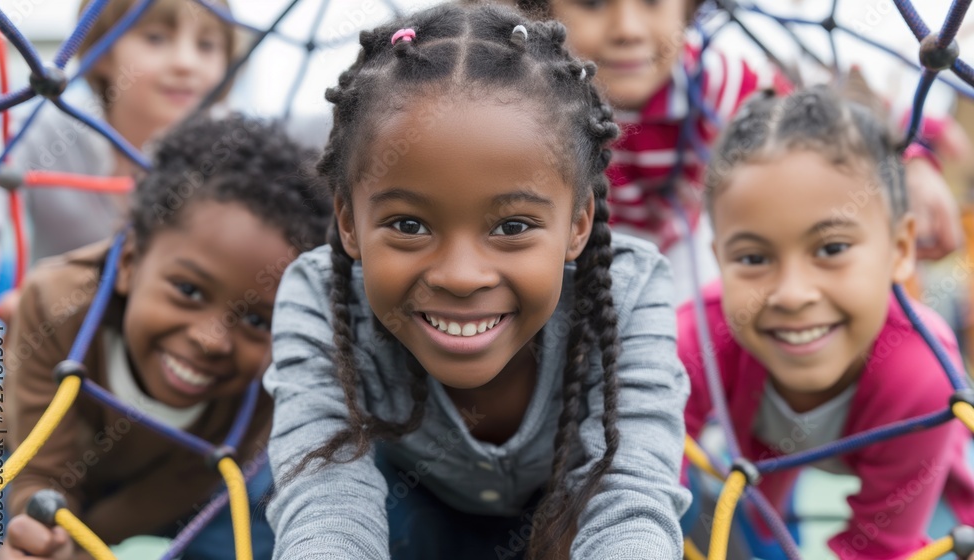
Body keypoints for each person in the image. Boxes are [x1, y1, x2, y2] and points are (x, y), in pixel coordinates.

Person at [264, 4, 691, 560]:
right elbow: (326, 496)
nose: (462, 277)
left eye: (513, 226)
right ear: (348, 222)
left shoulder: (629, 289)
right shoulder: (320, 297)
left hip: (571, 520)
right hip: (414, 520)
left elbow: (630, 490)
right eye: (409, 225)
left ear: (578, 224)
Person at [0, 113, 331, 560]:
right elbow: (40, 470)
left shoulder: (272, 378)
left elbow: (181, 485)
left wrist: (86, 545)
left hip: (176, 486)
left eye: (255, 322)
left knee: (258, 517)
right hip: (26, 450)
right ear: (130, 262)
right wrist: (47, 535)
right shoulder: (59, 302)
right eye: (188, 292)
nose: (211, 339)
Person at [677, 86, 974, 559]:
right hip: (764, 446)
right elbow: (645, 471)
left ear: (900, 251)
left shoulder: (923, 377)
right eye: (753, 257)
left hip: (912, 453)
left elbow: (877, 548)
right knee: (747, 523)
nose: (793, 295)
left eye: (831, 249)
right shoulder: (700, 337)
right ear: (719, 260)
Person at [515, 0, 964, 303]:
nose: (628, 30)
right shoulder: (529, 101)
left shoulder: (716, 84)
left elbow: (831, 114)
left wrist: (914, 163)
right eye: (593, 3)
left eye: (652, 1)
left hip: (681, 250)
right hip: (570, 251)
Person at [0, 0, 236, 322]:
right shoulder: (51, 129)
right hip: (62, 334)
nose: (185, 63)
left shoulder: (233, 147)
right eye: (155, 38)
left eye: (206, 45)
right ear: (103, 52)